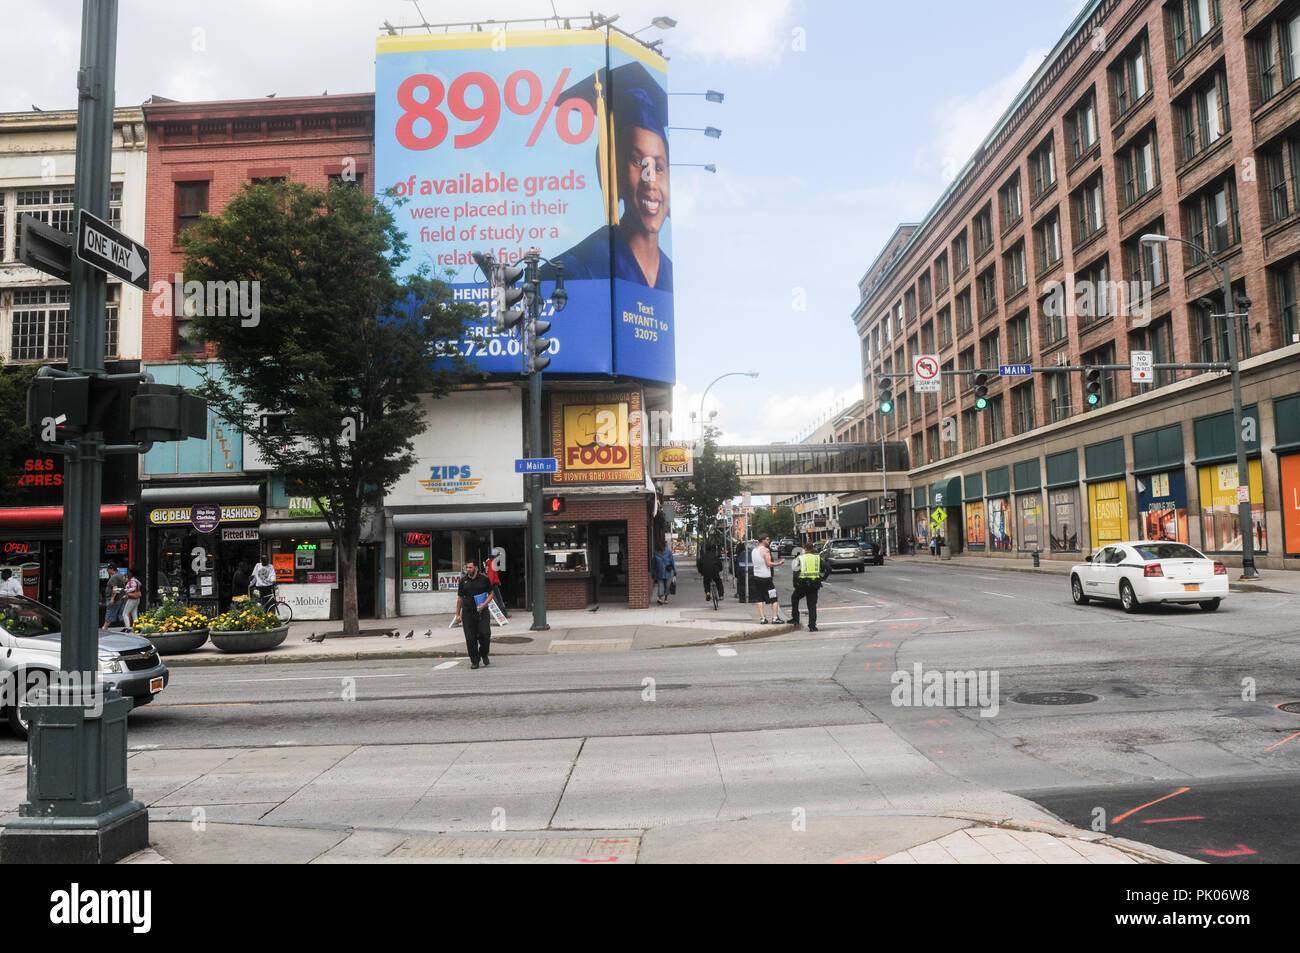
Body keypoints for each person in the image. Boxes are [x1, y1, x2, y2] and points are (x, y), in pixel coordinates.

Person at [546, 68, 672, 291]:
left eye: (659, 167)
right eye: (636, 161)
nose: (650, 180)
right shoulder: (571, 272)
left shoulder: (670, 277)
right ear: (611, 173)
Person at [454, 559, 493, 669]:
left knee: (485, 634)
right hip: (467, 612)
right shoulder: (463, 581)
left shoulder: (484, 579)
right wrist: (457, 614)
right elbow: (460, 598)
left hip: (482, 611)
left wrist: (484, 604)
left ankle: (484, 653)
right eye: (467, 568)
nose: (468, 570)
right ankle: (474, 660)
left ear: (476, 567)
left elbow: (491, 594)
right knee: (470, 638)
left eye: (470, 567)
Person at [790, 545, 829, 631]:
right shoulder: (817, 558)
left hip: (802, 584)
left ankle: (795, 619)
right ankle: (812, 626)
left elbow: (795, 573)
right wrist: (823, 578)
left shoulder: (800, 558)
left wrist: (795, 584)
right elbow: (828, 568)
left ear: (805, 549)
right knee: (812, 605)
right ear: (812, 550)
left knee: (794, 598)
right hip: (814, 584)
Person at [752, 535, 786, 624]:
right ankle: (775, 618)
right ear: (762, 540)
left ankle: (762, 618)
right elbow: (769, 564)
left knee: (759, 598)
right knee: (773, 598)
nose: (769, 541)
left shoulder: (754, 551)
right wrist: (780, 563)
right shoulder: (765, 550)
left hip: (756, 577)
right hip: (766, 578)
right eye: (767, 539)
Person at [101, 562, 126, 629]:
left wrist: (112, 598)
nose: (107, 570)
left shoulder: (114, 577)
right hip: (121, 598)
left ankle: (104, 627)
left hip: (115, 599)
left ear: (112, 569)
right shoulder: (121, 575)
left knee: (110, 613)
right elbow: (124, 585)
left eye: (108, 569)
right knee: (122, 614)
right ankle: (127, 626)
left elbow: (115, 589)